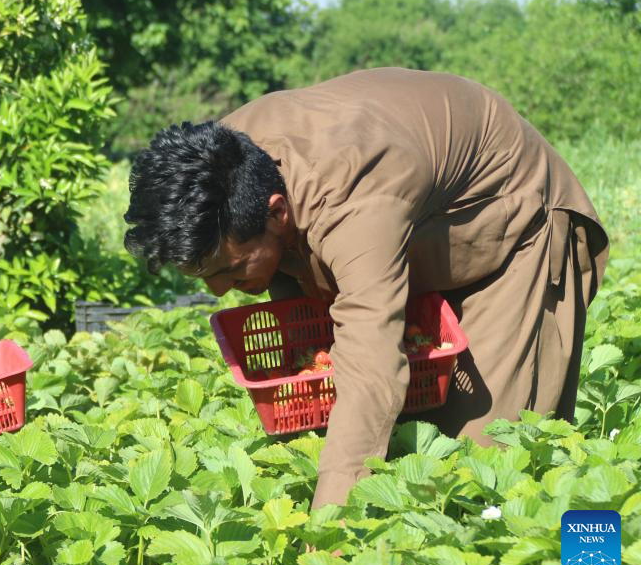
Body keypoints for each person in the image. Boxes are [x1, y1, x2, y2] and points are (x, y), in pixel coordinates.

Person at [123, 67, 608, 509]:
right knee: (373, 439)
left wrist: (329, 533)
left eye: (229, 270)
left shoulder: (355, 195)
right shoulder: (219, 169)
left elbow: (374, 363)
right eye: (202, 276)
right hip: (414, 223)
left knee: (483, 466)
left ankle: (592, 557)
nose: (219, 289)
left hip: (511, 221)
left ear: (276, 212)